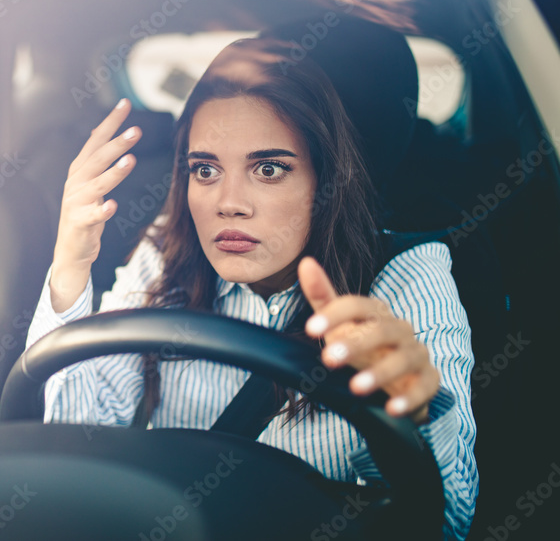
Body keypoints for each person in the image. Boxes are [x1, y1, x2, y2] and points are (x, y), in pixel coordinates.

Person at [25, 37, 477, 540]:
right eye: (206, 169)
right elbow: (74, 446)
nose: (228, 203)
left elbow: (448, 525)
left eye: (268, 169)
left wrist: (416, 415)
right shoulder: (169, 253)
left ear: (326, 180)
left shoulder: (408, 275)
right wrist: (70, 268)